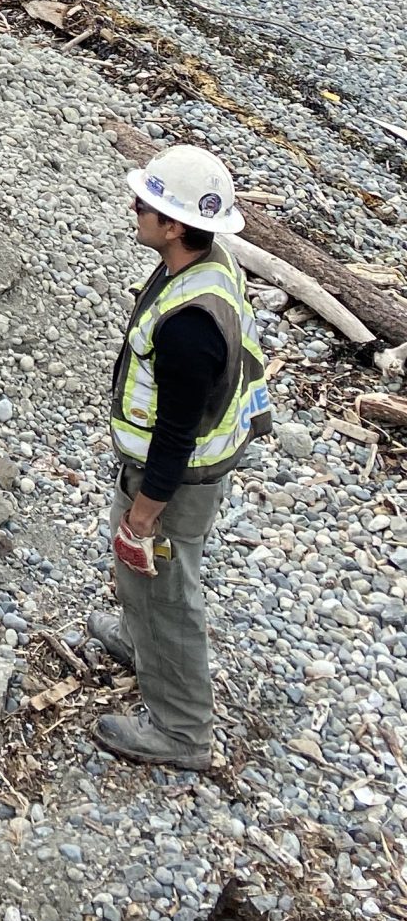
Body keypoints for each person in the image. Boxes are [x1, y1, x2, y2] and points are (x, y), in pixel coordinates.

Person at [90, 143, 270, 772]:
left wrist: (144, 512)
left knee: (165, 589)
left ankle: (183, 731)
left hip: (174, 476)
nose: (135, 207)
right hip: (179, 466)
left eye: (147, 203)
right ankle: (143, 643)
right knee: (144, 583)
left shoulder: (189, 326)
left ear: (173, 226)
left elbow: (175, 434)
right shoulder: (206, 259)